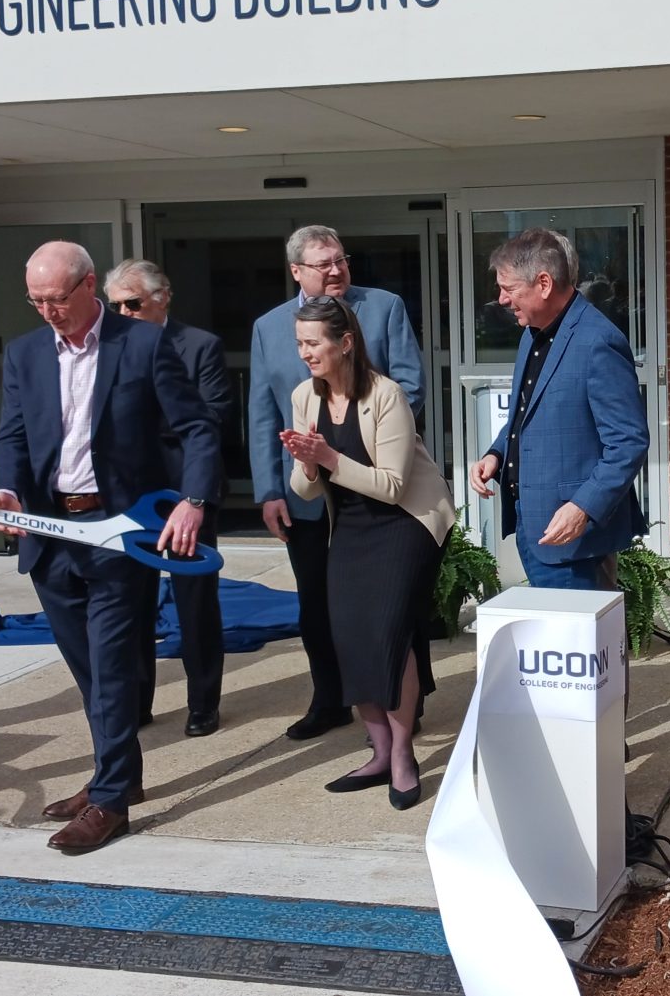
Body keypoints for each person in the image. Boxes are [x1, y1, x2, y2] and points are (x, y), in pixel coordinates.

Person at [0, 241, 220, 855]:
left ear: (89, 286)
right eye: (36, 301)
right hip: (51, 534)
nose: (47, 312)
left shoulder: (141, 343)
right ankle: (116, 777)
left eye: (57, 299)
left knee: (114, 665)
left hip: (118, 532)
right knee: (88, 672)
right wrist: (6, 489)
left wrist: (193, 500)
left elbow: (197, 427)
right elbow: (11, 434)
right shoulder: (25, 354)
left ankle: (110, 801)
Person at [249, 225, 426, 741]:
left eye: (340, 260)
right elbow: (263, 411)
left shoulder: (383, 307)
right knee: (317, 604)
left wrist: (360, 449)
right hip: (307, 493)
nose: (336, 270)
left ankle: (404, 702)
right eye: (323, 263)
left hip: (377, 490)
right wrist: (269, 489)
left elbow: (410, 389)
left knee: (391, 606)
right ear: (297, 271)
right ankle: (328, 699)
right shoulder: (269, 327)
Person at [280, 295, 454, 810]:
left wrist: (327, 456)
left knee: (389, 638)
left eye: (313, 343)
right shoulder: (303, 397)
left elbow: (394, 485)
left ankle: (403, 755)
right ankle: (378, 754)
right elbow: (305, 490)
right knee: (349, 637)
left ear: (346, 343)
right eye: (299, 344)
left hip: (406, 525)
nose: (305, 353)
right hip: (352, 527)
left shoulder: (386, 395)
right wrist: (309, 467)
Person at [469, 228, 649, 589]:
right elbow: (528, 415)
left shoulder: (598, 341)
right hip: (533, 525)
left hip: (575, 540)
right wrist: (497, 453)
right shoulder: (532, 335)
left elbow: (628, 443)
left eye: (509, 288)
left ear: (544, 283)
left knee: (584, 643)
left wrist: (582, 508)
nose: (501, 299)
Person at [103, 258, 237, 738]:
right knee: (130, 602)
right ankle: (138, 701)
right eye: (115, 304)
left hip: (186, 490)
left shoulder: (199, 346)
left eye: (132, 303)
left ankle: (203, 703)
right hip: (130, 493)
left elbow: (214, 417)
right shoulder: (108, 348)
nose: (123, 312)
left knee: (194, 601)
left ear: (162, 298)